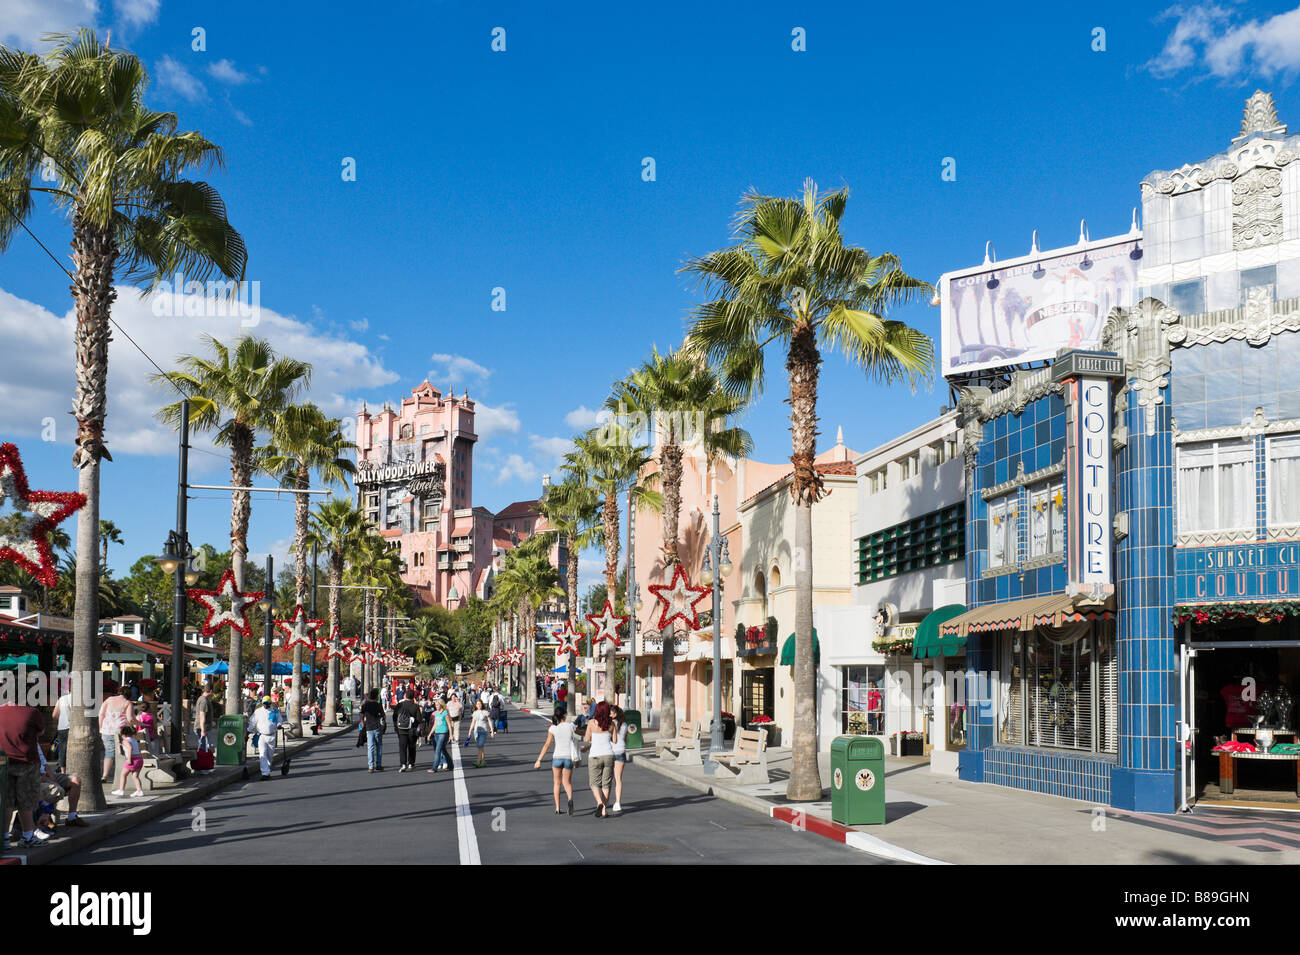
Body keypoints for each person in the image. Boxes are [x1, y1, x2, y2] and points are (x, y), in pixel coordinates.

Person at [0, 704, 52, 846]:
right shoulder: (32, 712)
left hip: (4, 762)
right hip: (27, 760)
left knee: (7, 801)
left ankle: (4, 839)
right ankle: (28, 836)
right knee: (26, 802)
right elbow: (40, 732)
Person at [534, 704, 578, 814]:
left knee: (557, 783)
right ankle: (570, 799)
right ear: (565, 715)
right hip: (568, 758)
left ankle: (557, 808)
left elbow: (547, 745)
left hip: (557, 758)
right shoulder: (571, 726)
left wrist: (539, 760)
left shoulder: (553, 728)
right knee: (567, 782)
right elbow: (581, 734)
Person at [37, 745, 89, 828]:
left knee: (75, 781)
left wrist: (53, 778)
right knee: (57, 790)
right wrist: (50, 781)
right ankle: (45, 816)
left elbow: (44, 762)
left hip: (44, 774)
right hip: (35, 777)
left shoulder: (35, 740)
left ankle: (72, 817)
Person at [583, 700, 615, 818]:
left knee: (594, 783)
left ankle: (599, 803)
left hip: (595, 755)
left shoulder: (591, 723)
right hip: (608, 755)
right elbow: (615, 740)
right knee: (606, 784)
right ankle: (604, 810)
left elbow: (586, 739)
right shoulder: (612, 724)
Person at [97, 685, 135, 784]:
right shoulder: (128, 703)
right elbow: (130, 719)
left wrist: (100, 727)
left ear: (120, 692)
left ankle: (105, 775)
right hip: (120, 731)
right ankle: (124, 774)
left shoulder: (109, 699)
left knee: (109, 752)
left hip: (106, 730)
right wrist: (140, 724)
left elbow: (101, 714)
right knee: (124, 751)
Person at [249, 696, 282, 780]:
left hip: (272, 736)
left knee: (270, 756)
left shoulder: (275, 712)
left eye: (267, 703)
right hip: (262, 736)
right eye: (264, 703)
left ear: (270, 703)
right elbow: (252, 722)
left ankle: (267, 769)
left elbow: (279, 720)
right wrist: (248, 731)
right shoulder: (258, 712)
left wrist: (279, 725)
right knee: (262, 754)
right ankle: (265, 773)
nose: (265, 705)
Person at [111, 724, 145, 797]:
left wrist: (129, 759)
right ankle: (140, 791)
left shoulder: (125, 741)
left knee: (123, 774)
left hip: (132, 759)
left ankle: (121, 790)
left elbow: (130, 748)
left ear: (123, 734)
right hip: (139, 759)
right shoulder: (134, 740)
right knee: (135, 776)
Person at [393, 689, 422, 772]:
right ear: (413, 697)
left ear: (405, 696)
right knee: (412, 746)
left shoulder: (399, 705)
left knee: (402, 747)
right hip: (412, 729)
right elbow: (419, 719)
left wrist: (396, 726)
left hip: (401, 729)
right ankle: (411, 763)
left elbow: (394, 717)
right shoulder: (415, 706)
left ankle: (403, 764)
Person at [360, 688, 386, 773]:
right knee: (379, 746)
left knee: (370, 747)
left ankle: (371, 766)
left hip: (369, 727)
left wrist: (363, 726)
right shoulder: (378, 705)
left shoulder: (365, 705)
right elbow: (384, 716)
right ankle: (378, 765)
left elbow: (361, 717)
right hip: (377, 727)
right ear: (376, 696)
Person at [610, 704, 629, 814]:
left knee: (608, 778)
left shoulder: (612, 724)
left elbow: (610, 738)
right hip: (621, 751)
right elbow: (625, 739)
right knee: (618, 779)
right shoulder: (625, 724)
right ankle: (618, 802)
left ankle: (605, 800)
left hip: (612, 751)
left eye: (611, 713)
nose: (609, 715)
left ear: (615, 714)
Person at [425, 699, 452, 774]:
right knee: (444, 751)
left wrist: (451, 735)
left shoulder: (445, 713)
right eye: (435, 705)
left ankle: (434, 768)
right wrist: (430, 734)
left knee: (437, 751)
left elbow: (449, 724)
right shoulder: (436, 713)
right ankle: (451, 765)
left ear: (441, 705)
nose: (436, 706)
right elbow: (435, 725)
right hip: (436, 734)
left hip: (443, 733)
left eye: (437, 705)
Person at [466, 699, 494, 768]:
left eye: (480, 704)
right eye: (477, 704)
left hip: (483, 731)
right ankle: (483, 761)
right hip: (476, 731)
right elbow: (473, 722)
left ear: (482, 704)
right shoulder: (474, 713)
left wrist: (492, 731)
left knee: (480, 745)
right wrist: (470, 731)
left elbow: (489, 721)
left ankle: (478, 761)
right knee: (480, 747)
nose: (479, 705)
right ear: (476, 705)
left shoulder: (485, 712)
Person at [193, 684, 215, 749]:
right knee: (203, 747)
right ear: (211, 691)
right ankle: (202, 759)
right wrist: (203, 730)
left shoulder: (202, 698)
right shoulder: (204, 701)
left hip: (203, 727)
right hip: (201, 728)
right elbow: (202, 715)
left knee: (204, 747)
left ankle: (203, 758)